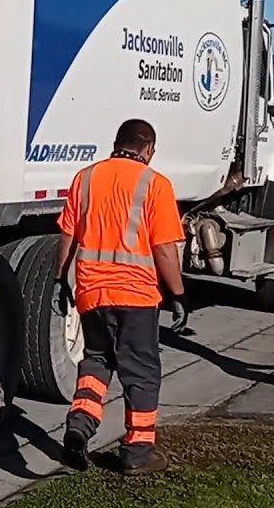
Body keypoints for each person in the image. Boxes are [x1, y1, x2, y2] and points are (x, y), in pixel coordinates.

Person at [53, 118, 188, 476]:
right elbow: (163, 250)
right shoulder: (156, 184)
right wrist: (177, 293)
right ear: (147, 149)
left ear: (117, 142)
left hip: (92, 292)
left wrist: (58, 279)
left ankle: (80, 425)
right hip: (136, 295)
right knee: (141, 373)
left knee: (96, 361)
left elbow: (68, 236)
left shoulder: (85, 178)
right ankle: (137, 452)